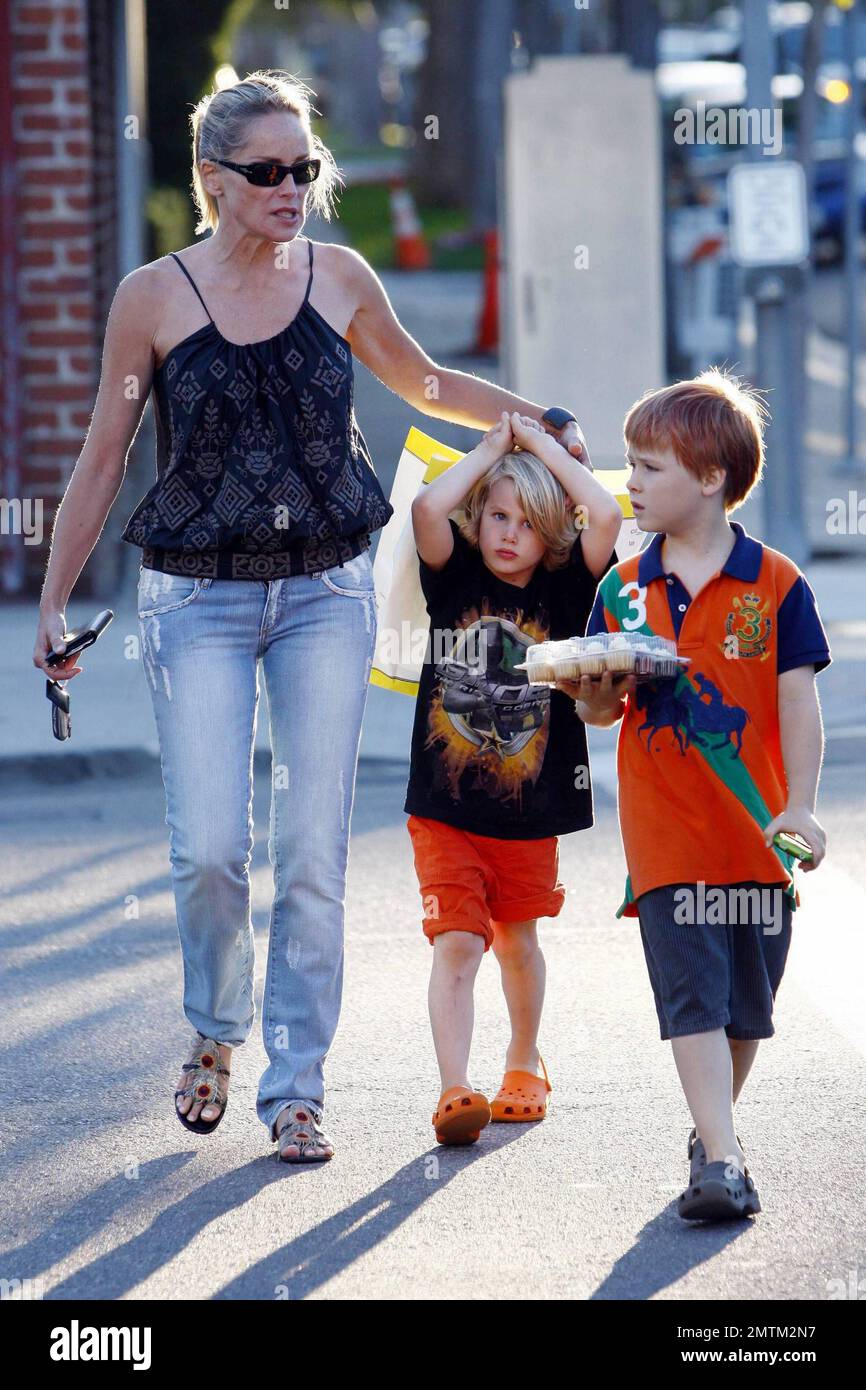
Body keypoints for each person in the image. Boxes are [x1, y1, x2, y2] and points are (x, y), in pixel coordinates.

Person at [32, 71, 594, 1164]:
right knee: (207, 848)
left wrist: (536, 424)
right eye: (267, 172)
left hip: (325, 592)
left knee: (312, 855)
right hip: (194, 596)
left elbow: (425, 382)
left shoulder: (336, 276)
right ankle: (213, 1027)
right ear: (213, 180)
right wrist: (55, 595)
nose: (292, 187)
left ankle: (296, 1085)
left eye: (305, 169)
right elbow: (105, 452)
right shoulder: (152, 297)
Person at [561, 369, 831, 1219]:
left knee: (747, 1012)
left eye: (647, 468)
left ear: (710, 479)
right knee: (691, 999)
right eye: (629, 465)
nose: (628, 482)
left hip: (759, 835)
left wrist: (802, 808)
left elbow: (799, 703)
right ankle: (723, 1159)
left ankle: (715, 1131)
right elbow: (603, 708)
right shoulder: (620, 587)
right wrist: (592, 693)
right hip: (666, 836)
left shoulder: (777, 582)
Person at [406, 409, 622, 1144]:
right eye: (498, 515)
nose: (507, 534)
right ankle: (453, 1090)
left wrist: (539, 449)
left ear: (551, 533)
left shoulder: (567, 593)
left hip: (531, 812)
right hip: (444, 807)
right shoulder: (454, 575)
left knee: (517, 945)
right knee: (458, 942)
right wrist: (496, 445)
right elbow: (429, 507)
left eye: (527, 523)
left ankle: (524, 1061)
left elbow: (606, 512)